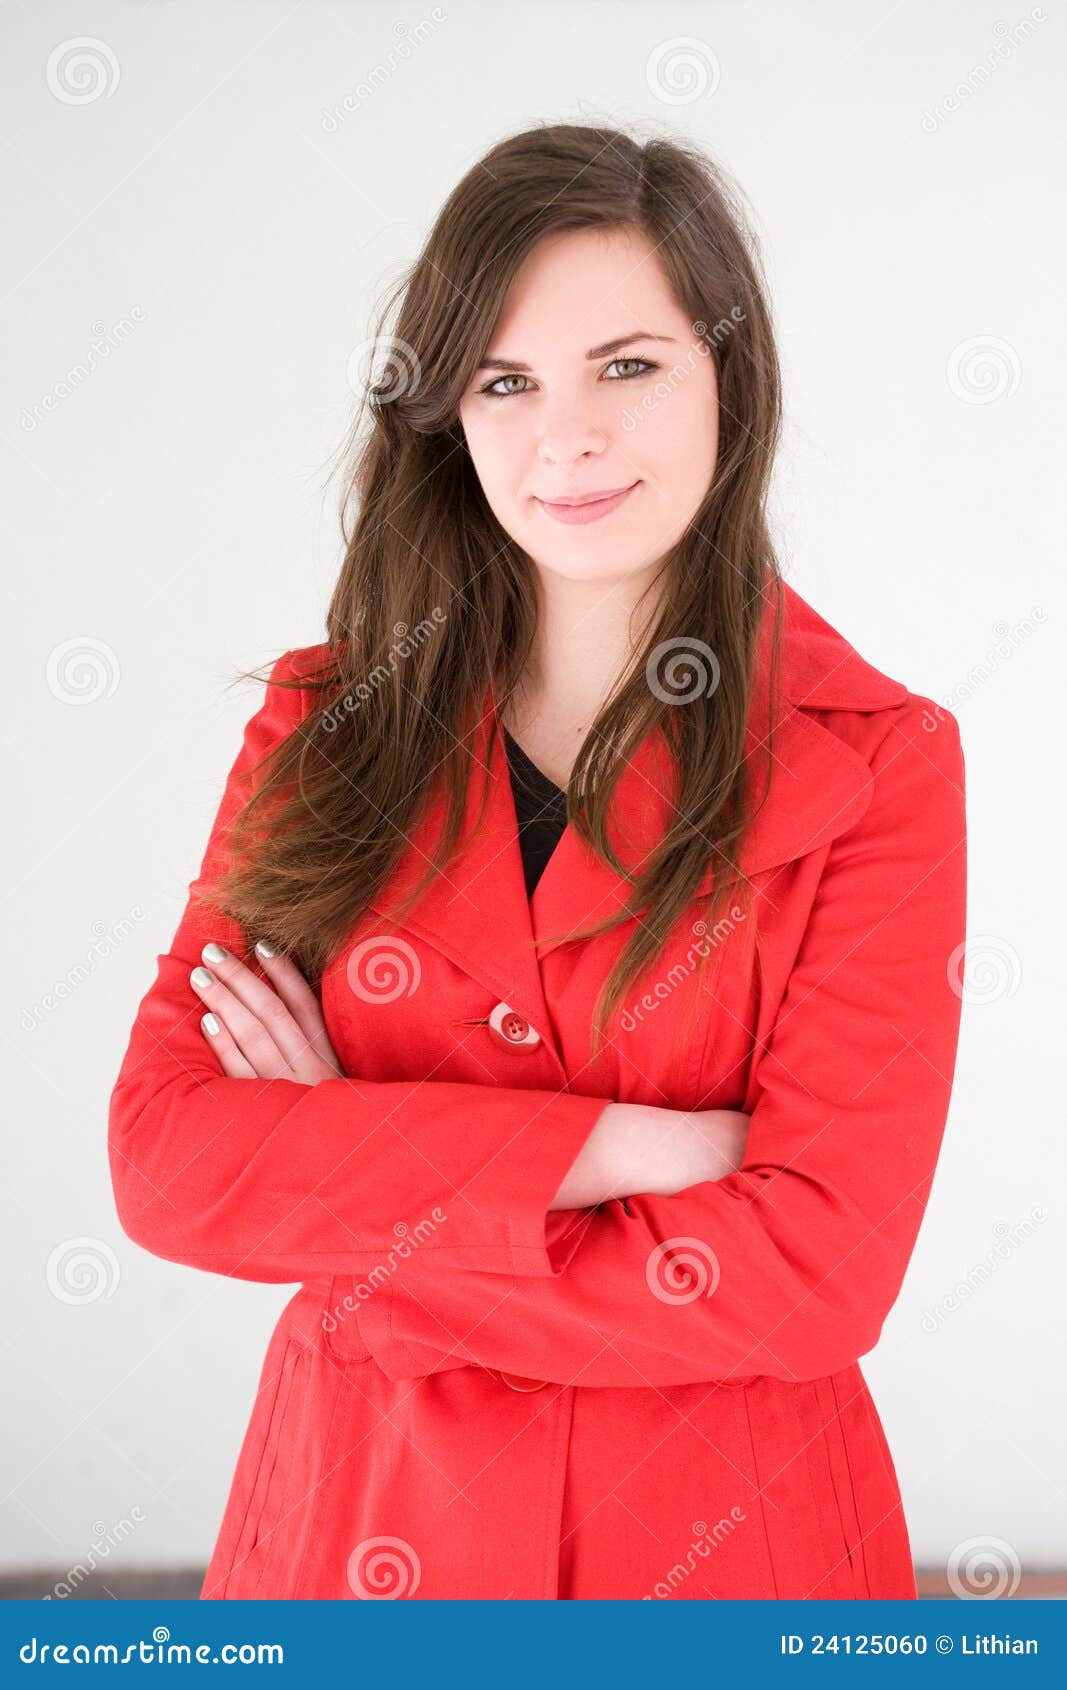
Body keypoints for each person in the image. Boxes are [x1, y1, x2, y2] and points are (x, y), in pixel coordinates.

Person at [108, 122, 967, 1601]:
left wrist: (361, 1192)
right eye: (505, 382)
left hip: (723, 1560)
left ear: (727, 376)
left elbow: (821, 1273)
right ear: (449, 414)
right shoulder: (326, 725)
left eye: (626, 365)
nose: (564, 435)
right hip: (362, 1526)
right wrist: (615, 1151)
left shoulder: (880, 759)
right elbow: (168, 1161)